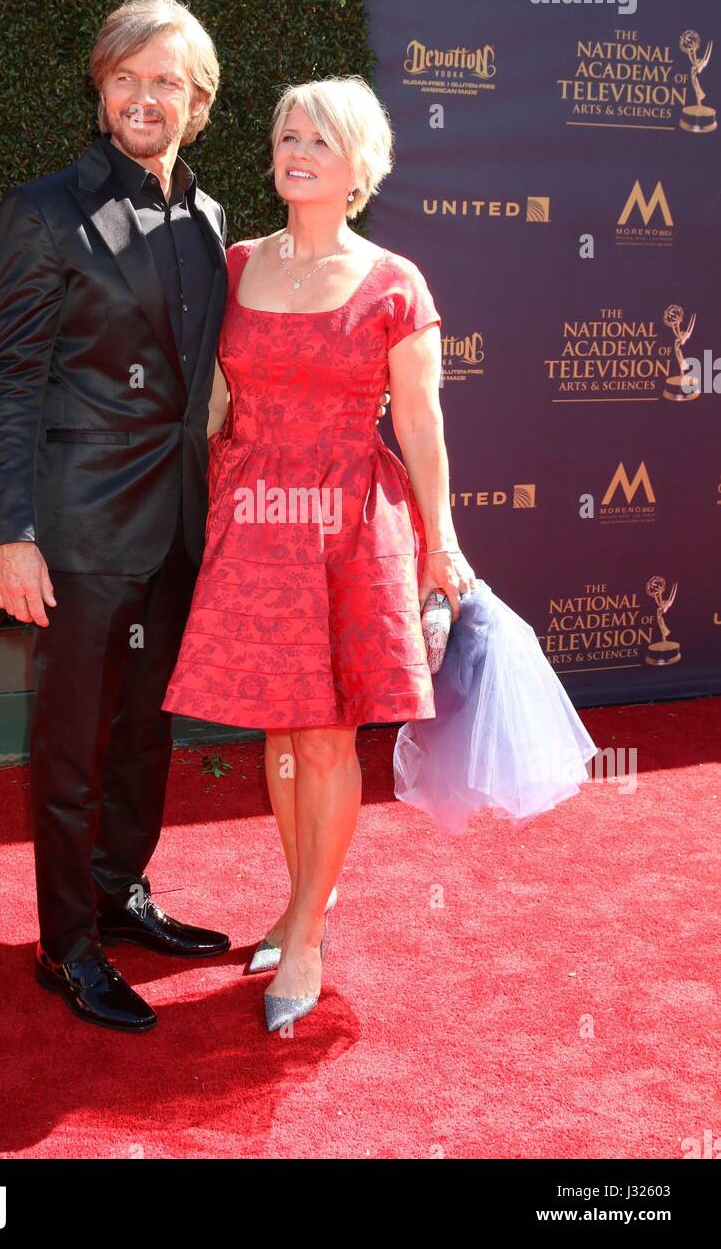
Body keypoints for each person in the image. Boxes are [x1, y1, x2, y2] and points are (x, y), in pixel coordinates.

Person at [162, 76, 478, 1032]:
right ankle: (302, 897)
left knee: (330, 733)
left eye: (319, 141)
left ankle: (305, 930)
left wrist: (442, 543)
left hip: (348, 521)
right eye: (286, 134)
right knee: (279, 730)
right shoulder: (239, 261)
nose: (295, 151)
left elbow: (421, 426)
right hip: (253, 517)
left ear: (359, 167)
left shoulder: (393, 281)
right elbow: (214, 400)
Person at [0, 0, 233, 1034]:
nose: (143, 97)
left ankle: (120, 891)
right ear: (100, 89)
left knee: (143, 732)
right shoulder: (45, 210)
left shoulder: (213, 220)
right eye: (125, 77)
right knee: (73, 738)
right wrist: (8, 531)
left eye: (164, 81)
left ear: (198, 102)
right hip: (77, 535)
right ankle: (65, 943)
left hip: (177, 524)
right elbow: (11, 381)